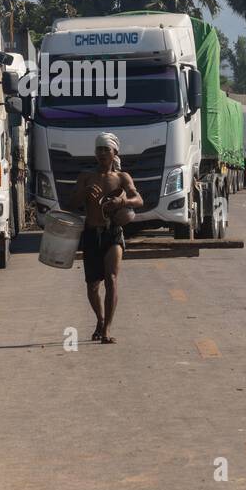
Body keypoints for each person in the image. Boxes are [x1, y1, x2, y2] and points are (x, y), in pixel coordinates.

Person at [69, 132, 143, 344]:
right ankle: (100, 321)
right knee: (92, 285)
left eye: (106, 149)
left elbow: (139, 200)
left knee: (111, 278)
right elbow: (70, 204)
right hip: (91, 233)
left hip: (113, 233)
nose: (102, 153)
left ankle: (107, 329)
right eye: (99, 149)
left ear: (114, 153)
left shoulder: (122, 177)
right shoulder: (85, 177)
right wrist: (83, 193)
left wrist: (122, 202)